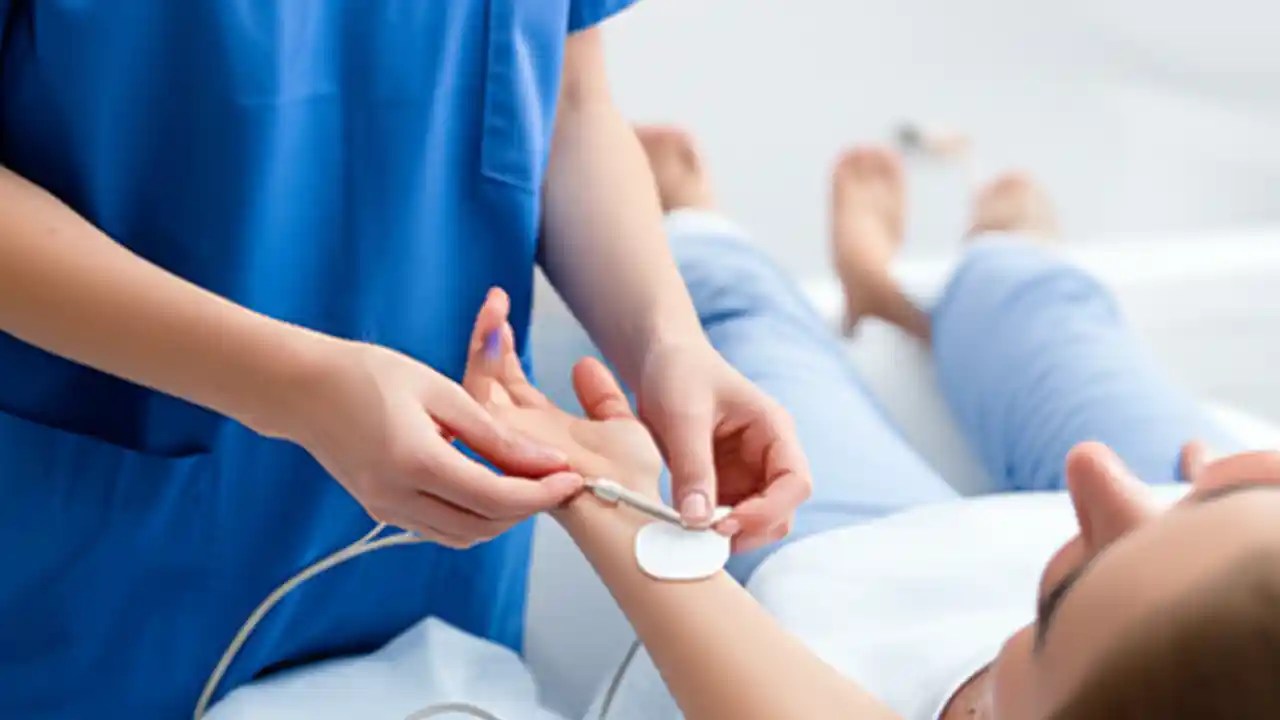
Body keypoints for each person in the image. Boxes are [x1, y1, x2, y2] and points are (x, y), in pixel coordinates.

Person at [0, 6, 810, 717]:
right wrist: (292, 386)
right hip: (107, 563)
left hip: (445, 545)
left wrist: (666, 342)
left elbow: (568, 98)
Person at [447, 127, 1274, 719]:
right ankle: (967, 279)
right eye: (1196, 503)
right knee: (1039, 311)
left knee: (745, 327)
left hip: (874, 575)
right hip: (1169, 585)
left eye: (1058, 602)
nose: (1094, 473)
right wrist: (1217, 502)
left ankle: (706, 241)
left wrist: (610, 494)